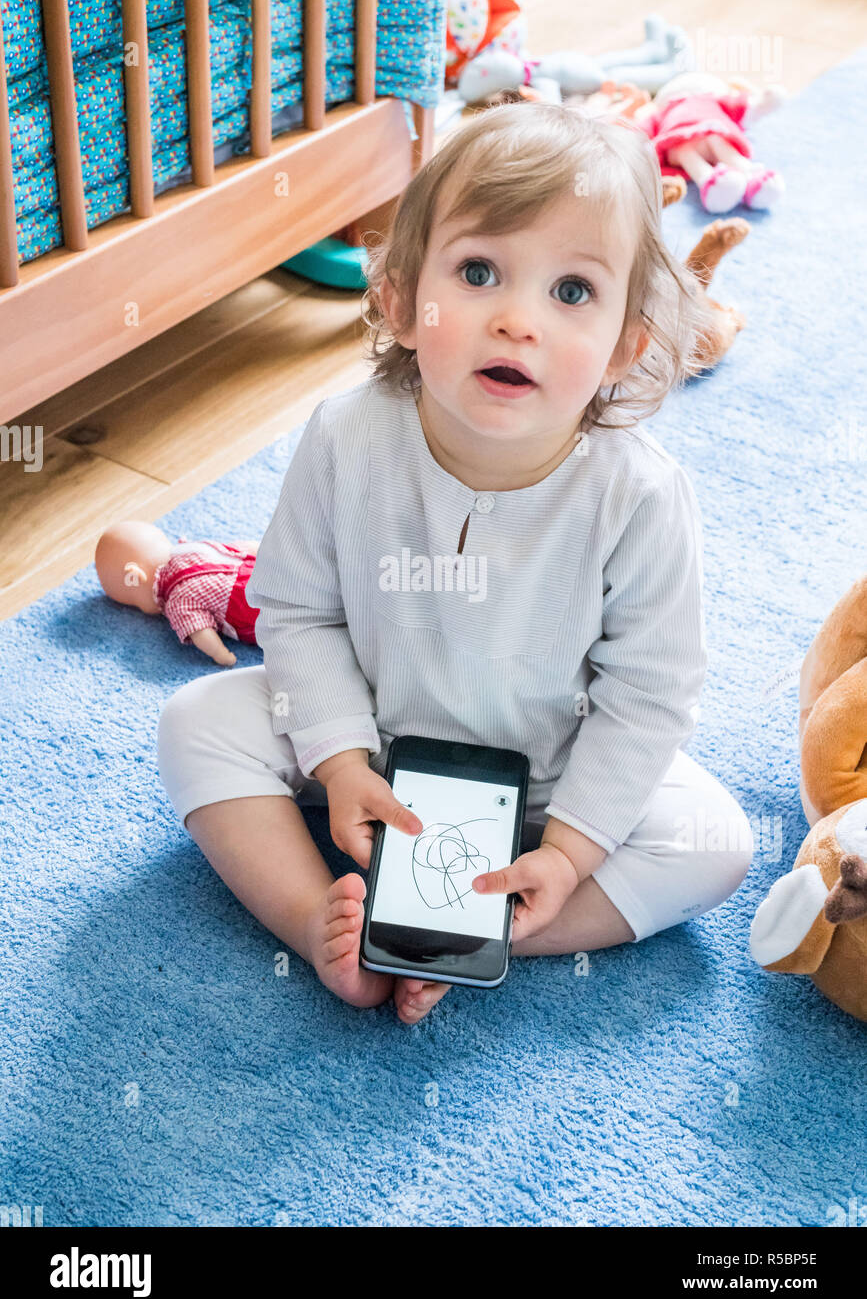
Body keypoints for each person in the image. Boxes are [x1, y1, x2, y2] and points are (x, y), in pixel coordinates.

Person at [157, 103, 754, 1025]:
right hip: (372, 753)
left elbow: (650, 692)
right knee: (198, 721)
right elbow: (297, 613)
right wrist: (341, 759)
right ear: (399, 300)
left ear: (624, 349)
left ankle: (488, 932)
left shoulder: (638, 495)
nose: (517, 320)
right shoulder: (345, 437)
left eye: (571, 293)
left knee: (715, 844)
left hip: (548, 784)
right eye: (478, 273)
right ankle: (323, 921)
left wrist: (568, 852)